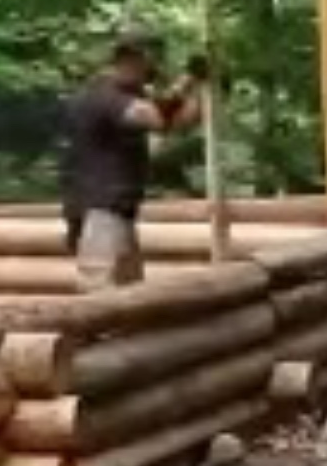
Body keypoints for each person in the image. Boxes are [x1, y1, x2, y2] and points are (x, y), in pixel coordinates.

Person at [56, 35, 211, 288]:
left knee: (130, 294)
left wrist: (207, 91)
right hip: (99, 209)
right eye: (148, 63)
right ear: (128, 61)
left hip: (119, 211)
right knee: (101, 292)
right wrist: (189, 79)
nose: (152, 71)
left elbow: (177, 122)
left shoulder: (129, 95)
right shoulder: (104, 95)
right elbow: (156, 118)